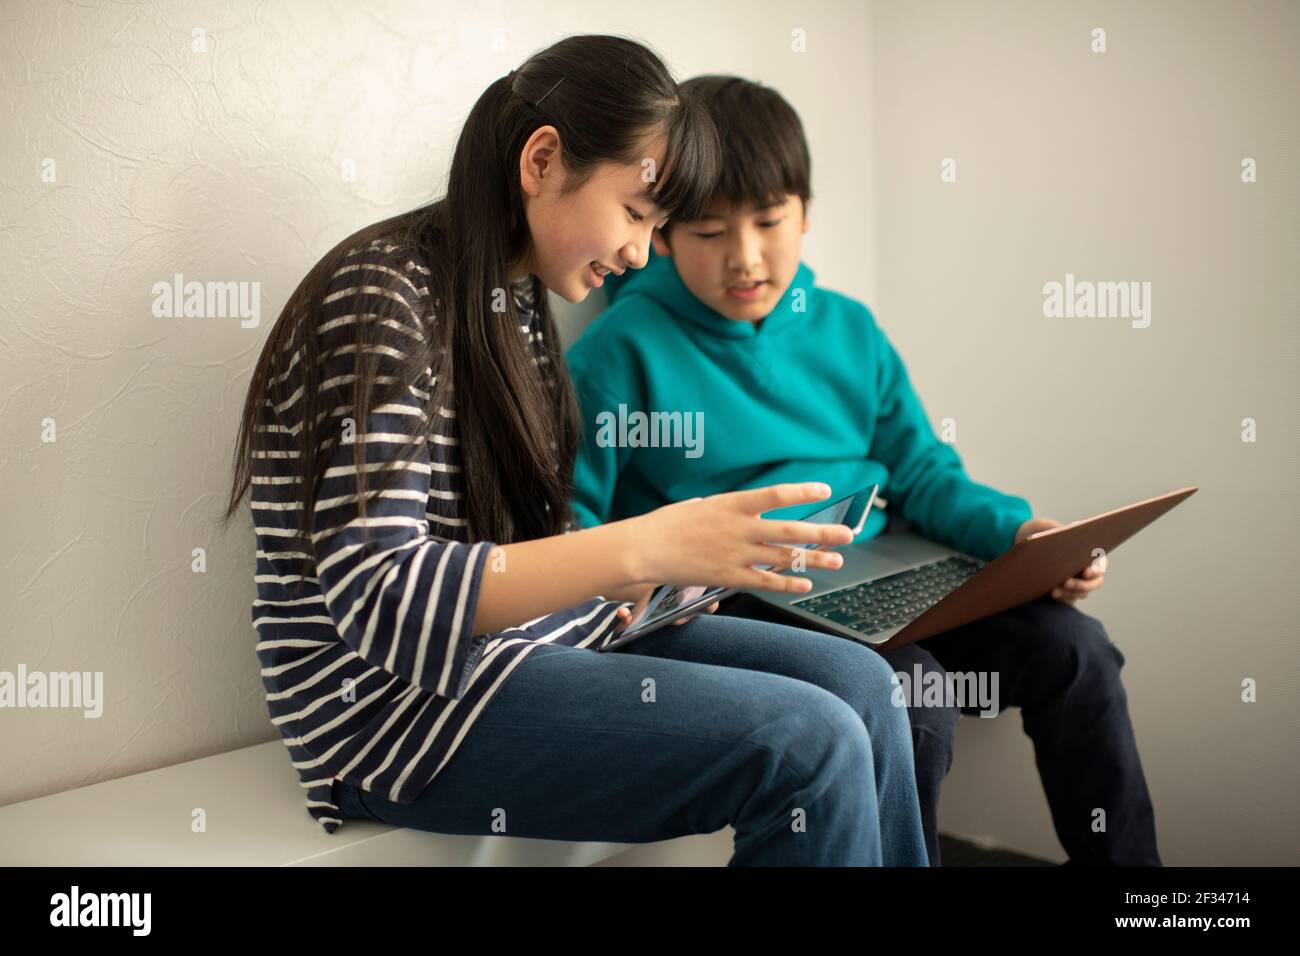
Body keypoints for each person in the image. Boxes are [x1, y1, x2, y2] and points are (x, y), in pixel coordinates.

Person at [222, 36, 928, 866]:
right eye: (636, 214)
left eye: (655, 227)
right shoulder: (383, 292)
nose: (638, 253)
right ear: (544, 158)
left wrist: (651, 579)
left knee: (869, 687)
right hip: (388, 705)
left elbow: (510, 549)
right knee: (809, 743)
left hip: (535, 641)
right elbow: (377, 592)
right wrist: (634, 545)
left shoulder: (517, 306)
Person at [567, 74, 1159, 866]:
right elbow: (575, 529)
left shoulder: (847, 328)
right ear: (662, 233)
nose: (744, 258)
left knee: (1076, 651)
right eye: (708, 232)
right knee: (911, 699)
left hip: (891, 574)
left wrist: (1021, 535)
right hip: (754, 599)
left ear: (805, 213)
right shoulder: (618, 353)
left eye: (770, 221)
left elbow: (921, 471)